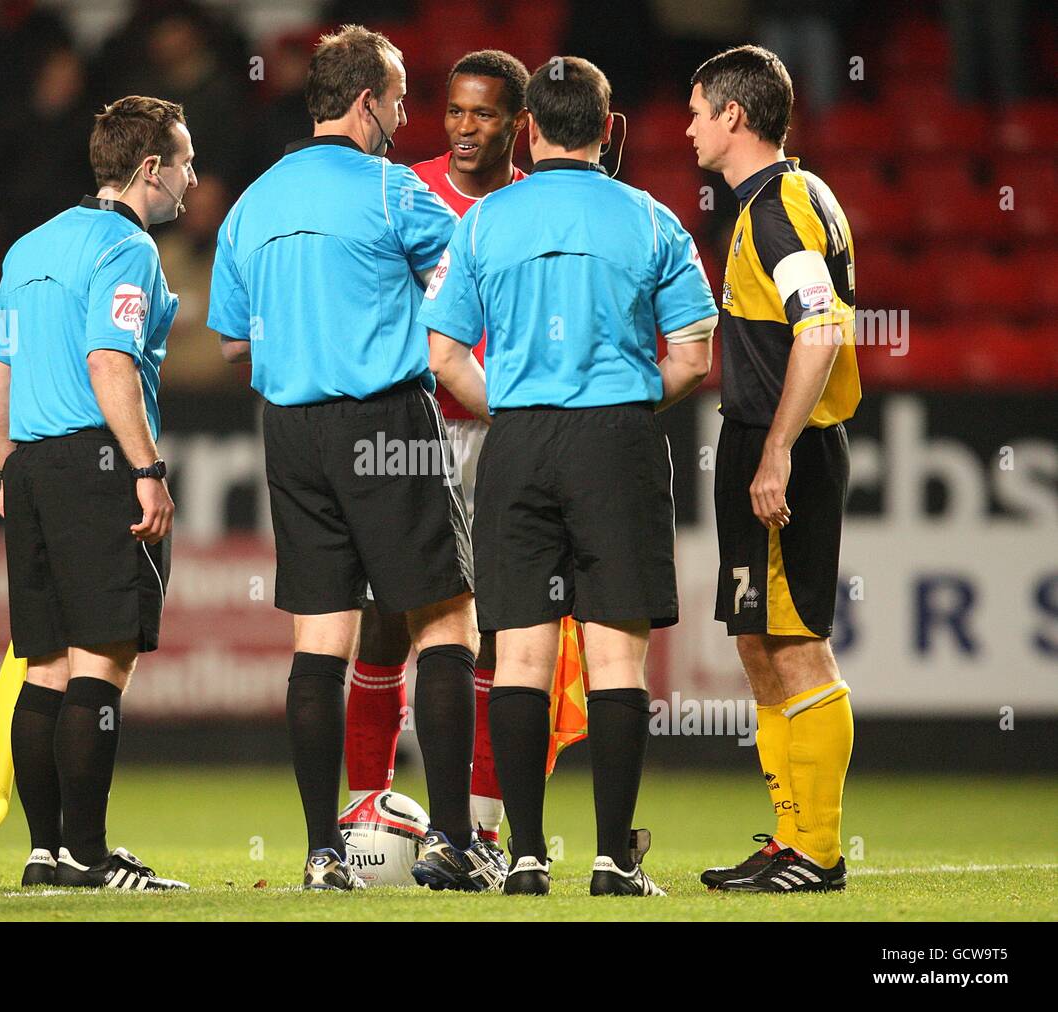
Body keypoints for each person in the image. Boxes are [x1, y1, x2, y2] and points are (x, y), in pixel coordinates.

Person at [206, 25, 505, 892]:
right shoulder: (392, 193)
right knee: (448, 622)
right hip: (387, 422)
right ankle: (454, 841)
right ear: (367, 102)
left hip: (291, 431)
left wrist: (302, 350)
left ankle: (320, 855)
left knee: (319, 643)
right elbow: (466, 283)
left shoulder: (253, 202)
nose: (408, 116)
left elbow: (231, 345)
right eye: (402, 99)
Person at [420, 56, 717, 896]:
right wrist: (622, 400)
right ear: (609, 127)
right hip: (616, 440)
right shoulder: (653, 220)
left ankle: (521, 857)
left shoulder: (481, 223)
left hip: (516, 442)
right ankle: (614, 859)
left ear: (526, 130)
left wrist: (508, 405)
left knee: (518, 656)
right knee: (619, 660)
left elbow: (442, 352)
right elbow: (694, 357)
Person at [0, 95, 196, 891]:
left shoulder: (30, 244)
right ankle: (91, 854)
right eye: (184, 163)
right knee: (101, 662)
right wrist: (146, 469)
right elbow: (110, 362)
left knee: (44, 666)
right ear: (150, 170)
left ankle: (47, 853)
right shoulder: (127, 248)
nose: (192, 179)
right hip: (97, 464)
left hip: (32, 466)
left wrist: (7, 464)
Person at [344, 48, 529, 851]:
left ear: (518, 124)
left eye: (483, 114)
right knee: (384, 617)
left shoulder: (536, 206)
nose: (462, 127)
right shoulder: (407, 189)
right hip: (414, 426)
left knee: (489, 623)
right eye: (453, 110)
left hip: (502, 432)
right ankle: (365, 809)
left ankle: (481, 825)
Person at [685, 45, 858, 892]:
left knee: (795, 645)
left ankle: (818, 852)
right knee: (758, 640)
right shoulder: (788, 195)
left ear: (733, 117)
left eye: (695, 111)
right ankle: (791, 838)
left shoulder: (781, 204)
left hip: (782, 444)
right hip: (760, 438)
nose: (686, 128)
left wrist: (780, 449)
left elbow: (819, 329)